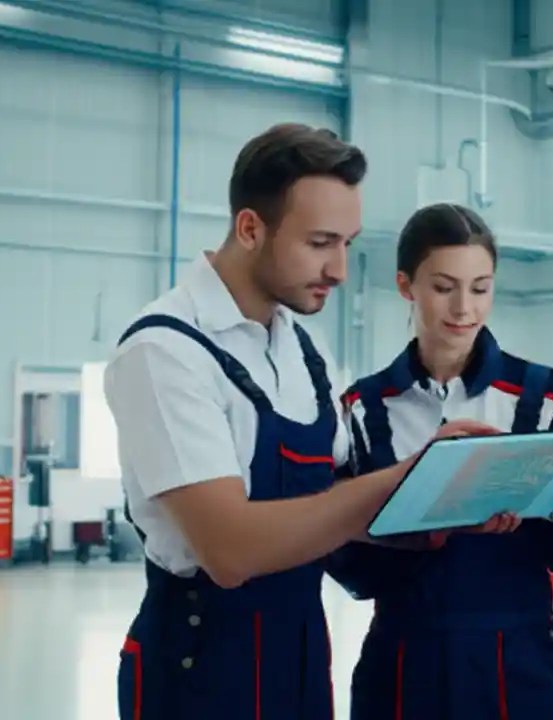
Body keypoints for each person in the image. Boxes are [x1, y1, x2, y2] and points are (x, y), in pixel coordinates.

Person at [103, 125, 495, 720]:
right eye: (320, 243)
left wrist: (444, 497)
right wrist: (403, 478)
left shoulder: (303, 353)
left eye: (347, 243)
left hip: (302, 660)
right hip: (198, 674)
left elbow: (331, 497)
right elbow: (229, 550)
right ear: (251, 229)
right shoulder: (165, 351)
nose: (339, 269)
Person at [327, 203, 553, 720]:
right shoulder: (363, 409)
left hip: (519, 658)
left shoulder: (545, 398)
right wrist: (422, 528)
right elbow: (353, 569)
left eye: (481, 288)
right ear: (405, 285)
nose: (464, 307)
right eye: (443, 287)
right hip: (403, 660)